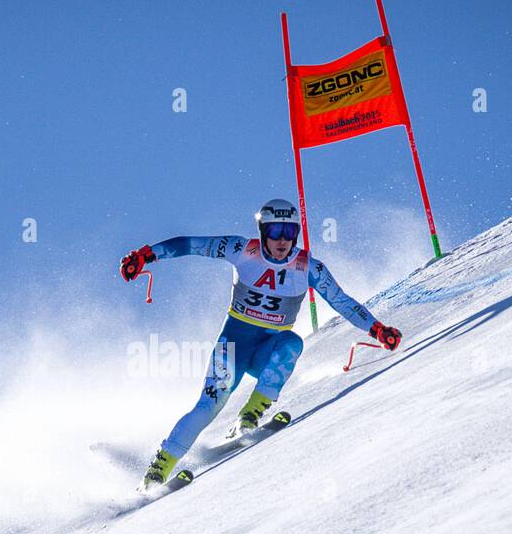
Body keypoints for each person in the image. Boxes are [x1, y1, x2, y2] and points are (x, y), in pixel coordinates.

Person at [120, 198, 402, 491]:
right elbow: (191, 244)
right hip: (232, 348)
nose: (283, 240)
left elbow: (342, 301)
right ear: (263, 231)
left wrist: (376, 329)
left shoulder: (309, 267)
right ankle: (158, 469)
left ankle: (250, 415)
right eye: (276, 231)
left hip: (267, 350)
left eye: (290, 232)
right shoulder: (242, 250)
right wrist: (146, 255)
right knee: (209, 405)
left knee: (291, 343)